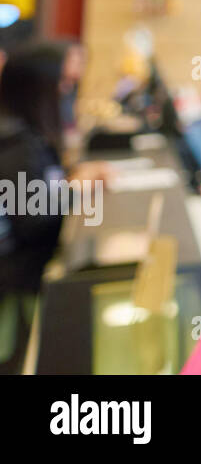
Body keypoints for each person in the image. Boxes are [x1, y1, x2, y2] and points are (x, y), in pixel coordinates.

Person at [0, 42, 110, 374]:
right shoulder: (15, 142)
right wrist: (77, 189)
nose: (67, 90)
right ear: (38, 86)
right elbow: (32, 218)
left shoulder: (25, 134)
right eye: (61, 82)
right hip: (21, 276)